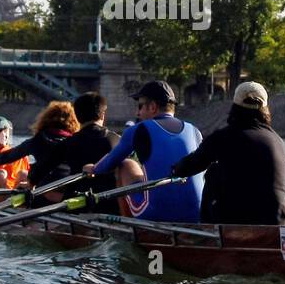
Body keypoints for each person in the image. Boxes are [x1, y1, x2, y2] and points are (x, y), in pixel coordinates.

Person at [172, 81, 285, 225]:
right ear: (265, 109)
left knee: (213, 171)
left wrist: (174, 169)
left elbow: (189, 166)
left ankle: (206, 231)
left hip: (236, 219)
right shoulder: (277, 140)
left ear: (235, 107)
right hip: (278, 220)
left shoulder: (223, 137)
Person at [86, 80, 203, 222]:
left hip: (155, 213)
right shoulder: (195, 131)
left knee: (126, 164)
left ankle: (130, 228)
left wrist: (93, 168)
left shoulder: (139, 129)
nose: (137, 112)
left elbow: (110, 163)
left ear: (153, 107)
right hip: (197, 213)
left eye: (140, 106)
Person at [0, 102, 80, 190]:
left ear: (45, 119)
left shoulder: (37, 140)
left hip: (43, 193)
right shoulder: (76, 141)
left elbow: (11, 155)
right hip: (70, 193)